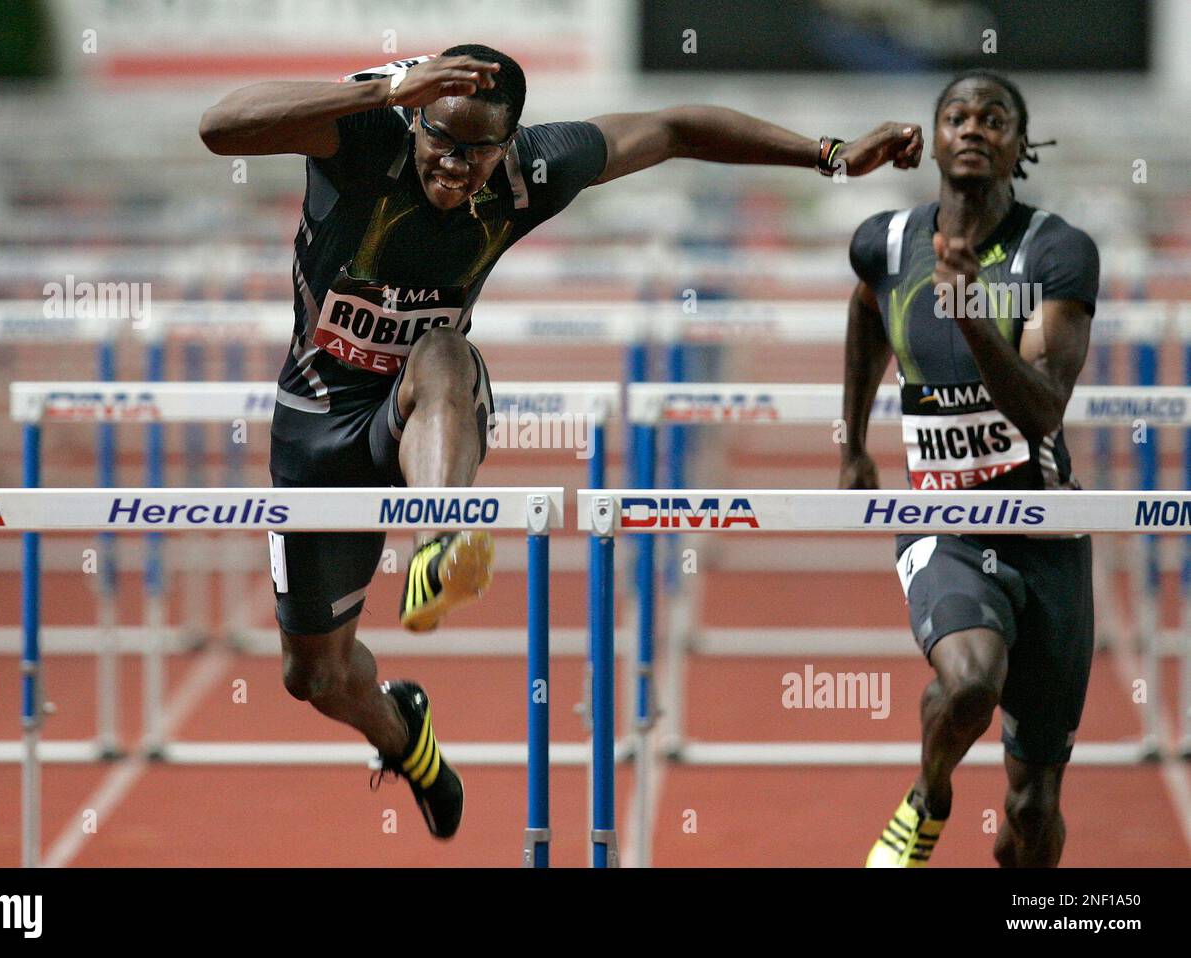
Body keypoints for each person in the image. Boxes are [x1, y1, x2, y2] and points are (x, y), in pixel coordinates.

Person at [201, 44, 923, 841]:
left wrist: (826, 154)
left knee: (441, 354)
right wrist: (381, 90)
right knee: (316, 677)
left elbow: (675, 125)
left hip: (429, 410)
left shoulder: (535, 171)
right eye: (440, 142)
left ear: (511, 142)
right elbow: (219, 126)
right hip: (315, 428)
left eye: (479, 152)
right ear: (415, 120)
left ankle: (443, 541)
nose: (454, 166)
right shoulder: (366, 136)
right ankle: (405, 734)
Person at [840, 70, 1099, 867]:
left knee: (1032, 806)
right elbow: (864, 312)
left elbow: (1041, 410)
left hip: (1045, 528)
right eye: (956, 116)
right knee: (970, 683)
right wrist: (849, 441)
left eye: (995, 118)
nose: (974, 128)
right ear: (933, 138)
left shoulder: (1056, 251)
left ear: (1020, 145)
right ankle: (930, 794)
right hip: (943, 521)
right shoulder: (885, 241)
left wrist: (976, 319)